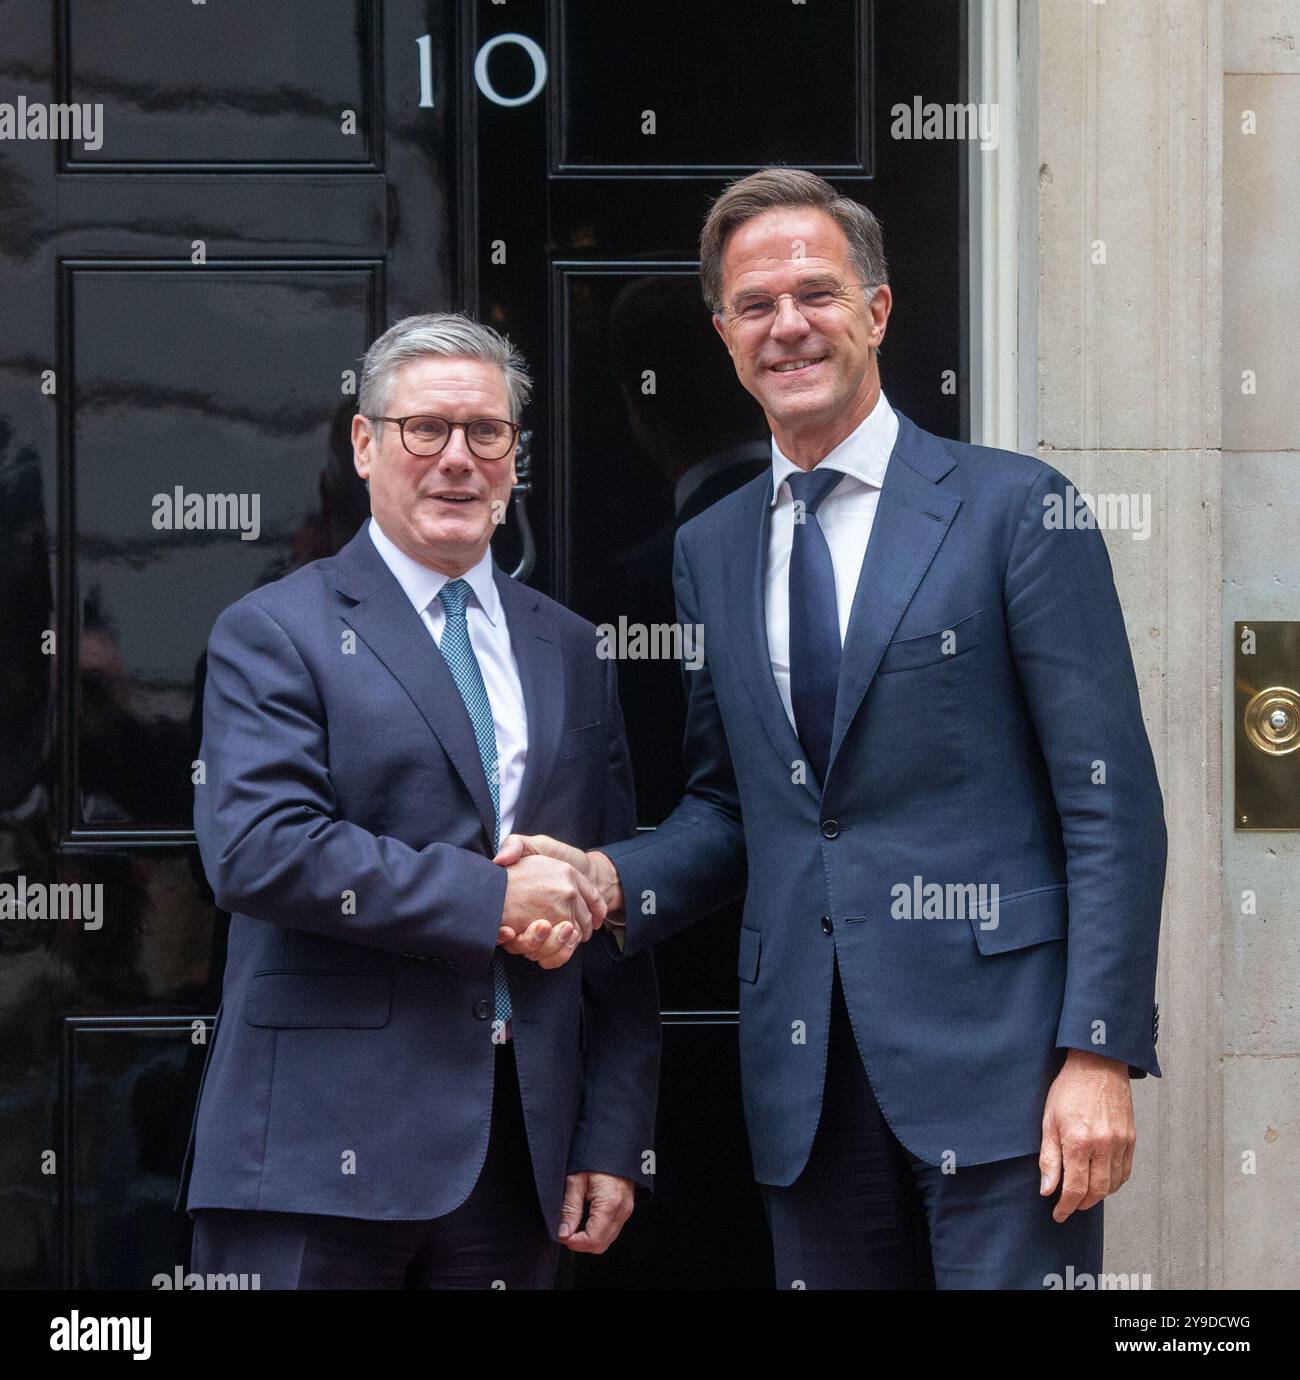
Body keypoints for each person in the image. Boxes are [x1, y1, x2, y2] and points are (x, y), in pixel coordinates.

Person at [498, 167, 1166, 1290]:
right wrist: (609, 881)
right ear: (722, 336)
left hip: (1003, 1074)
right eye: (755, 306)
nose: (788, 326)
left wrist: (1096, 1052)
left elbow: (1110, 801)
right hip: (802, 1076)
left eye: (816, 292)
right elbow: (734, 805)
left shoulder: (1012, 512)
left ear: (878, 311)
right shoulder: (708, 550)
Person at [175, 313, 660, 1289]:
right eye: (423, 430)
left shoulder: (567, 647)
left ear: (514, 457)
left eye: (486, 433)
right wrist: (492, 902)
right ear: (365, 444)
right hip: (315, 1157)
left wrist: (612, 1131)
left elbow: (603, 898)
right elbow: (259, 849)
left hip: (517, 1162)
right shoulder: (275, 631)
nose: (457, 459)